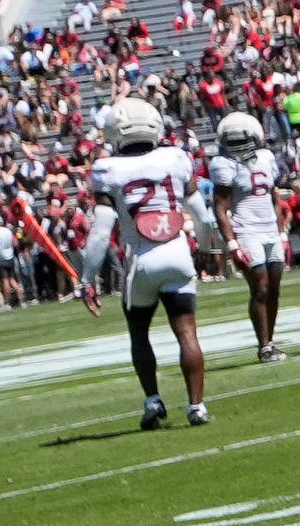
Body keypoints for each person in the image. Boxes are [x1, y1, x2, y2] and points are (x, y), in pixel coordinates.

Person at [82, 97, 211, 430]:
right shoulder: (176, 158)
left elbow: (100, 232)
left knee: (139, 333)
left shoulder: (106, 168)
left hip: (139, 257)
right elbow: (202, 217)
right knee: (187, 332)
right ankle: (197, 406)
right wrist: (209, 249)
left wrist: (88, 279)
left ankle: (153, 399)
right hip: (177, 252)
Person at [207, 110, 293, 361]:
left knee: (274, 288)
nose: (238, 147)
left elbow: (274, 198)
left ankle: (271, 340)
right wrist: (232, 242)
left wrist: (282, 233)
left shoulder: (265, 158)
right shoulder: (223, 164)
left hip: (270, 230)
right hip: (246, 231)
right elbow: (220, 208)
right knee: (261, 287)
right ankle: (264, 345)